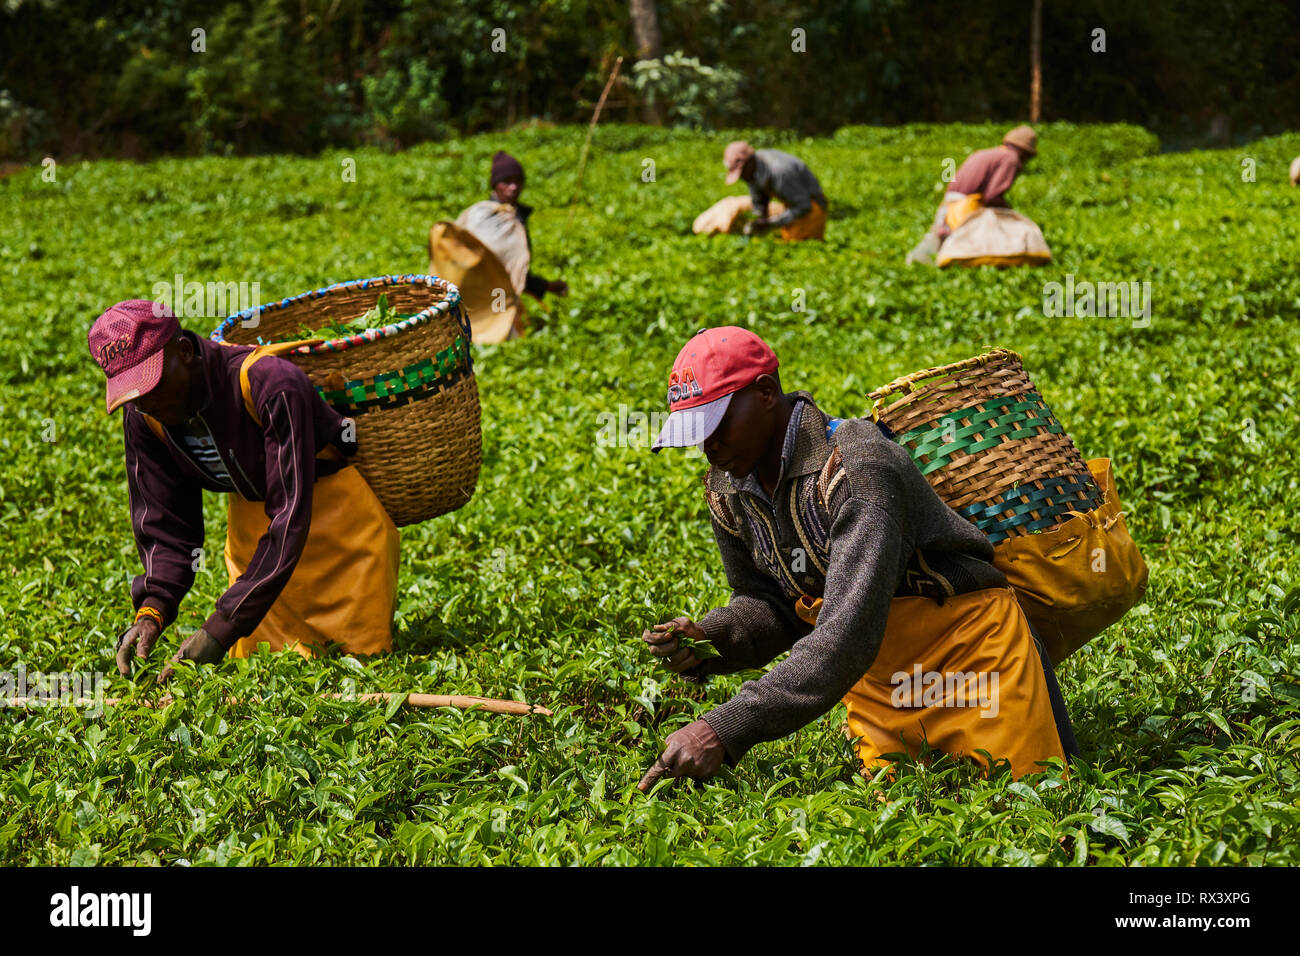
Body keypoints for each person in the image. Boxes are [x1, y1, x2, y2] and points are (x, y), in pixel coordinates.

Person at [637, 327, 1078, 791]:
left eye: (717, 425)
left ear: (766, 392)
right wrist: (710, 640)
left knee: (1028, 800)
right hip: (882, 679)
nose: (710, 447)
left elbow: (847, 633)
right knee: (903, 817)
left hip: (973, 654)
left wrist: (722, 729)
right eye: (696, 433)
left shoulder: (858, 467)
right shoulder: (728, 487)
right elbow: (770, 601)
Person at [90, 300, 399, 682]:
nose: (146, 403)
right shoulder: (144, 415)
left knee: (356, 672)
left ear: (185, 352)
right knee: (270, 676)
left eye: (152, 384)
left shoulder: (271, 383)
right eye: (132, 394)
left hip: (339, 539)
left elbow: (289, 515)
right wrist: (152, 610)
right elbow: (166, 526)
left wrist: (219, 630)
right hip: (258, 551)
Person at [906, 125, 1038, 265]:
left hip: (950, 203)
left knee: (940, 242)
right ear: (1025, 153)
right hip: (966, 206)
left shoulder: (989, 153)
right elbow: (993, 195)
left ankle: (917, 261)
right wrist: (1010, 214)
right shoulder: (1010, 159)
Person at [723, 141, 829, 241]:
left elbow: (804, 206)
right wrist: (760, 216)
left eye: (741, 173)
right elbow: (757, 194)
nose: (741, 177)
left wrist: (771, 223)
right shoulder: (753, 169)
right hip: (791, 205)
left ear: (749, 162)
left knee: (799, 247)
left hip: (812, 209)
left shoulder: (780, 172)